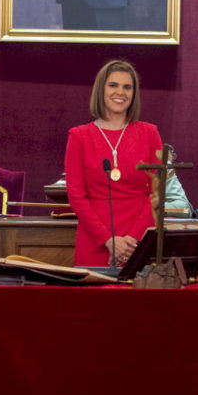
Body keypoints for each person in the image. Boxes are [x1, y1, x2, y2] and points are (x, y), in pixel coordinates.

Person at [66, 60, 162, 267]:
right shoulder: (79, 136)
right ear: (101, 89)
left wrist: (132, 239)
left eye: (127, 87)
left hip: (140, 240)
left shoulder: (150, 133)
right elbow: (76, 196)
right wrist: (108, 240)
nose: (121, 92)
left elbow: (157, 193)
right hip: (95, 240)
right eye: (113, 85)